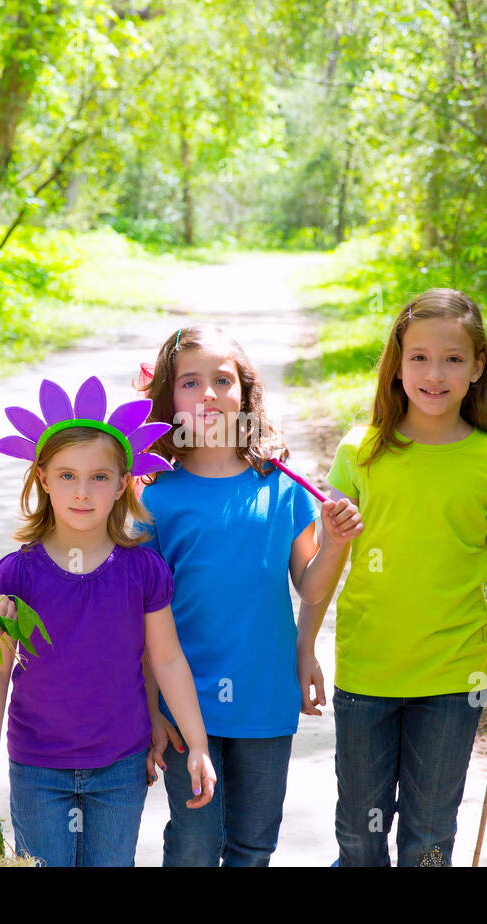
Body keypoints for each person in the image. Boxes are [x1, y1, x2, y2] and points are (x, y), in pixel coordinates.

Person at [317, 288, 487, 866]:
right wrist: (300, 643)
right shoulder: (360, 452)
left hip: (451, 673)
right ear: (397, 362)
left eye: (453, 359)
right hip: (368, 670)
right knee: (360, 837)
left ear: (477, 367)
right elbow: (323, 569)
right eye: (419, 357)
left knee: (432, 836)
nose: (434, 374)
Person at [136, 326, 362, 866]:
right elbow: (143, 617)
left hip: (265, 694)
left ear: (245, 393)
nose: (208, 395)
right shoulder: (155, 499)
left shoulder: (282, 486)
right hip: (184, 702)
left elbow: (309, 586)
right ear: (170, 398)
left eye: (222, 380)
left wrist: (336, 544)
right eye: (190, 383)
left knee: (254, 843)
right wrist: (150, 707)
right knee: (192, 844)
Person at [0, 376, 216, 867]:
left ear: (123, 482)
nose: (82, 492)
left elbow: (166, 658)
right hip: (38, 765)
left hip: (119, 765)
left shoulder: (142, 570)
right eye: (67, 476)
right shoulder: (16, 574)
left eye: (100, 477)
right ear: (43, 477)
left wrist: (198, 743)